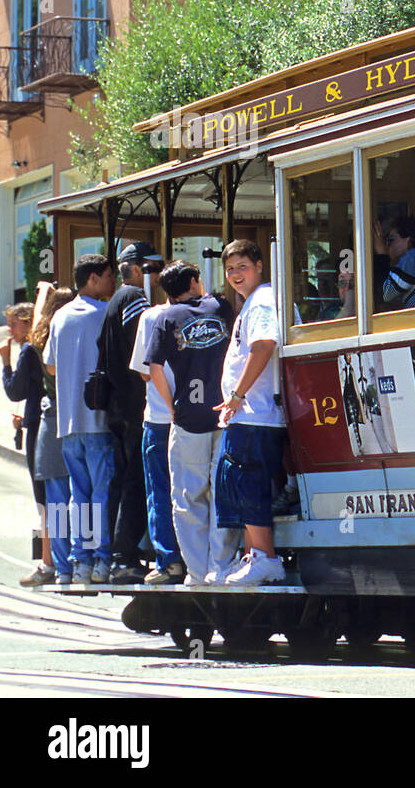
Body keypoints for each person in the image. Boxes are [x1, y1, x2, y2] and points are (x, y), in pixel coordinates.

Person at [146, 260, 239, 585]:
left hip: (187, 417)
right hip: (225, 414)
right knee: (222, 493)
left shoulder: (166, 318)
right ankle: (222, 567)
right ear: (196, 281)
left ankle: (197, 572)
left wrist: (171, 405)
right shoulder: (221, 306)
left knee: (187, 498)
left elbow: (154, 367)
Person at [213, 240, 287, 586]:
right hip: (252, 414)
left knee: (248, 482)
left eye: (242, 266)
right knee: (243, 484)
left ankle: (267, 558)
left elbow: (263, 346)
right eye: (230, 269)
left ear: (259, 265)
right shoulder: (254, 302)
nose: (235, 275)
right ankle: (254, 556)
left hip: (256, 413)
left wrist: (237, 395)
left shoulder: (261, 303)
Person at [44, 253, 116, 586]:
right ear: (93, 279)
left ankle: (80, 563)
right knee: (101, 492)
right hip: (98, 419)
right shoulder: (104, 314)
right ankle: (102, 561)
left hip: (68, 421)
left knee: (79, 495)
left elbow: (52, 366)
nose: (112, 282)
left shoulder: (59, 317)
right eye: (107, 276)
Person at [97, 241, 163, 583]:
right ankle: (125, 558)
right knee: (137, 482)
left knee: (124, 482)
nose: (160, 274)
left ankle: (115, 555)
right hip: (136, 407)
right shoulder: (135, 300)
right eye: (155, 267)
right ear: (138, 269)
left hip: (118, 408)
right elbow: (147, 351)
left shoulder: (114, 301)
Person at [129, 275, 185, 584]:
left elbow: (145, 373)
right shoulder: (207, 314)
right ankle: (195, 558)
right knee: (192, 490)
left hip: (159, 418)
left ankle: (169, 561)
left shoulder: (150, 316)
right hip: (194, 419)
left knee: (160, 491)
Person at [28, 285, 75, 583]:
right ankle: (83, 557)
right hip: (84, 415)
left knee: (55, 496)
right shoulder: (80, 329)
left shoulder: (44, 337)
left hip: (54, 417)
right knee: (84, 491)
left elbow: (35, 323)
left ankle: (59, 563)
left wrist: (42, 294)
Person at [3, 301, 51, 585]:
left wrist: (5, 362)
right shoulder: (42, 346)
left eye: (13, 324)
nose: (10, 330)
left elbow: (15, 390)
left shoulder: (29, 350)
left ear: (27, 321)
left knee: (41, 493)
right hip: (39, 420)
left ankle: (45, 559)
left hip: (37, 424)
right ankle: (50, 554)